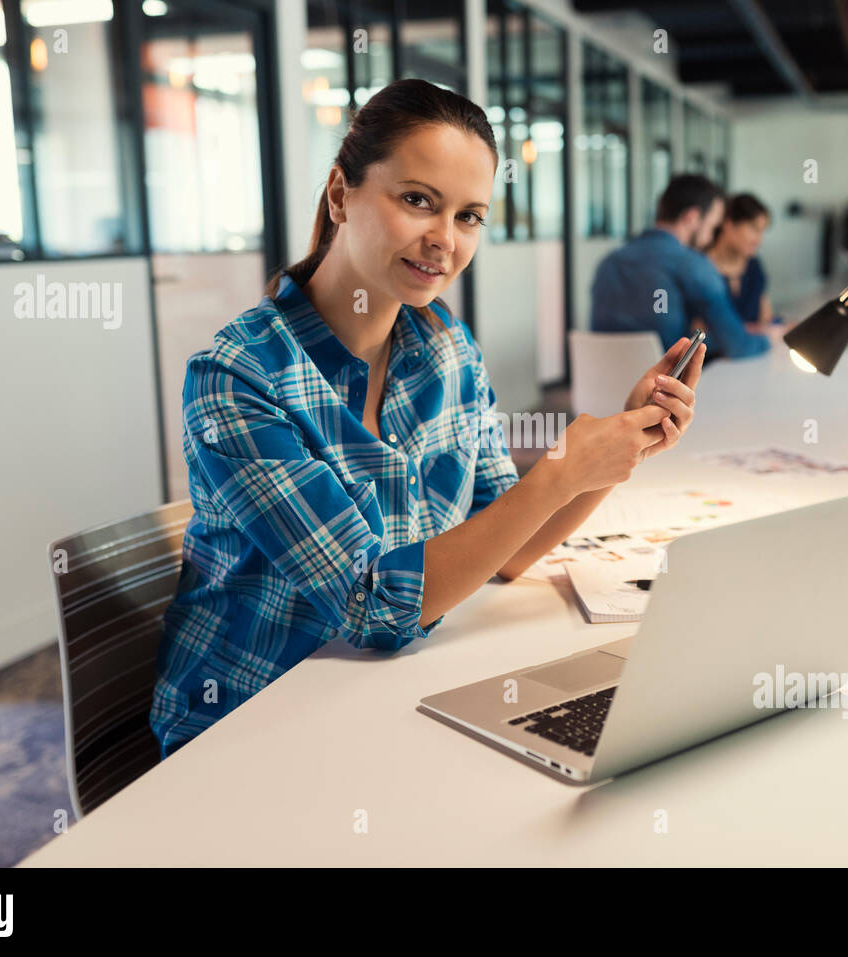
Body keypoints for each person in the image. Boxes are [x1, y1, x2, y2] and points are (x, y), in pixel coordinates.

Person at [150, 79, 706, 758]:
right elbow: (374, 606)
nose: (444, 239)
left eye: (470, 215)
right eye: (418, 200)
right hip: (247, 733)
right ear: (339, 194)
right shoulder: (239, 377)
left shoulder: (447, 350)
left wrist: (616, 451)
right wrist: (558, 471)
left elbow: (509, 549)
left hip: (386, 695)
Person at [589, 174, 770, 361]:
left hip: (605, 385)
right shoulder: (693, 264)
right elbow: (738, 346)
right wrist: (768, 338)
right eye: (711, 227)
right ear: (691, 218)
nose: (709, 238)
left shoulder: (609, 262)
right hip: (665, 384)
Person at [707, 192, 779, 331]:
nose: (759, 240)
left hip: (754, 352)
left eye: (762, 231)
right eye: (753, 228)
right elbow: (699, 329)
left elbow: (766, 320)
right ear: (728, 224)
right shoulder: (700, 267)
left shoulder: (754, 266)